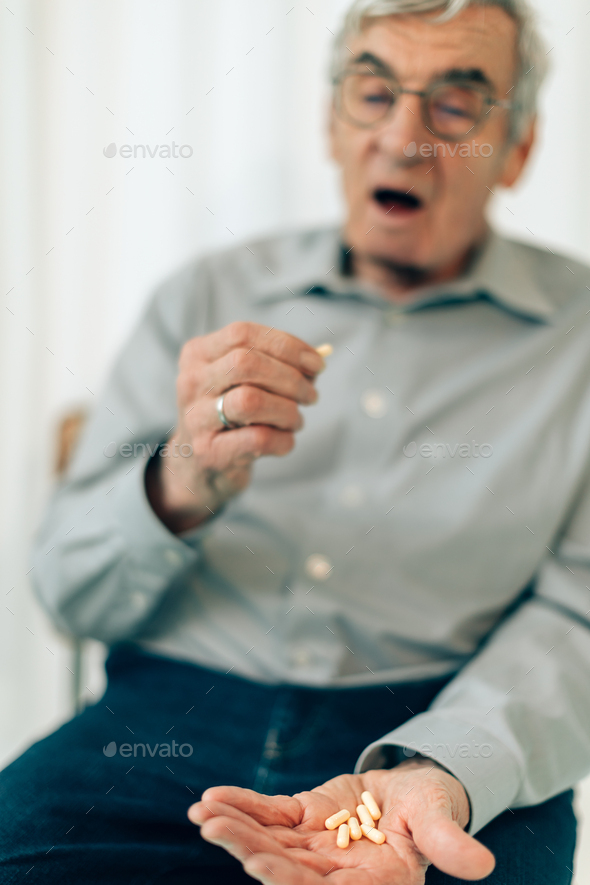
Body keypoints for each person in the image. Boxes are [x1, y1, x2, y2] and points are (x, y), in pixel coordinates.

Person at [1, 0, 589, 882]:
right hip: (159, 722)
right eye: (373, 91)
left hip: (452, 729)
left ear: (521, 150)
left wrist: (444, 770)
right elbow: (68, 597)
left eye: (458, 104)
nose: (405, 137)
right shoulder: (201, 297)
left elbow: (580, 618)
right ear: (330, 121)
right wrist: (183, 478)